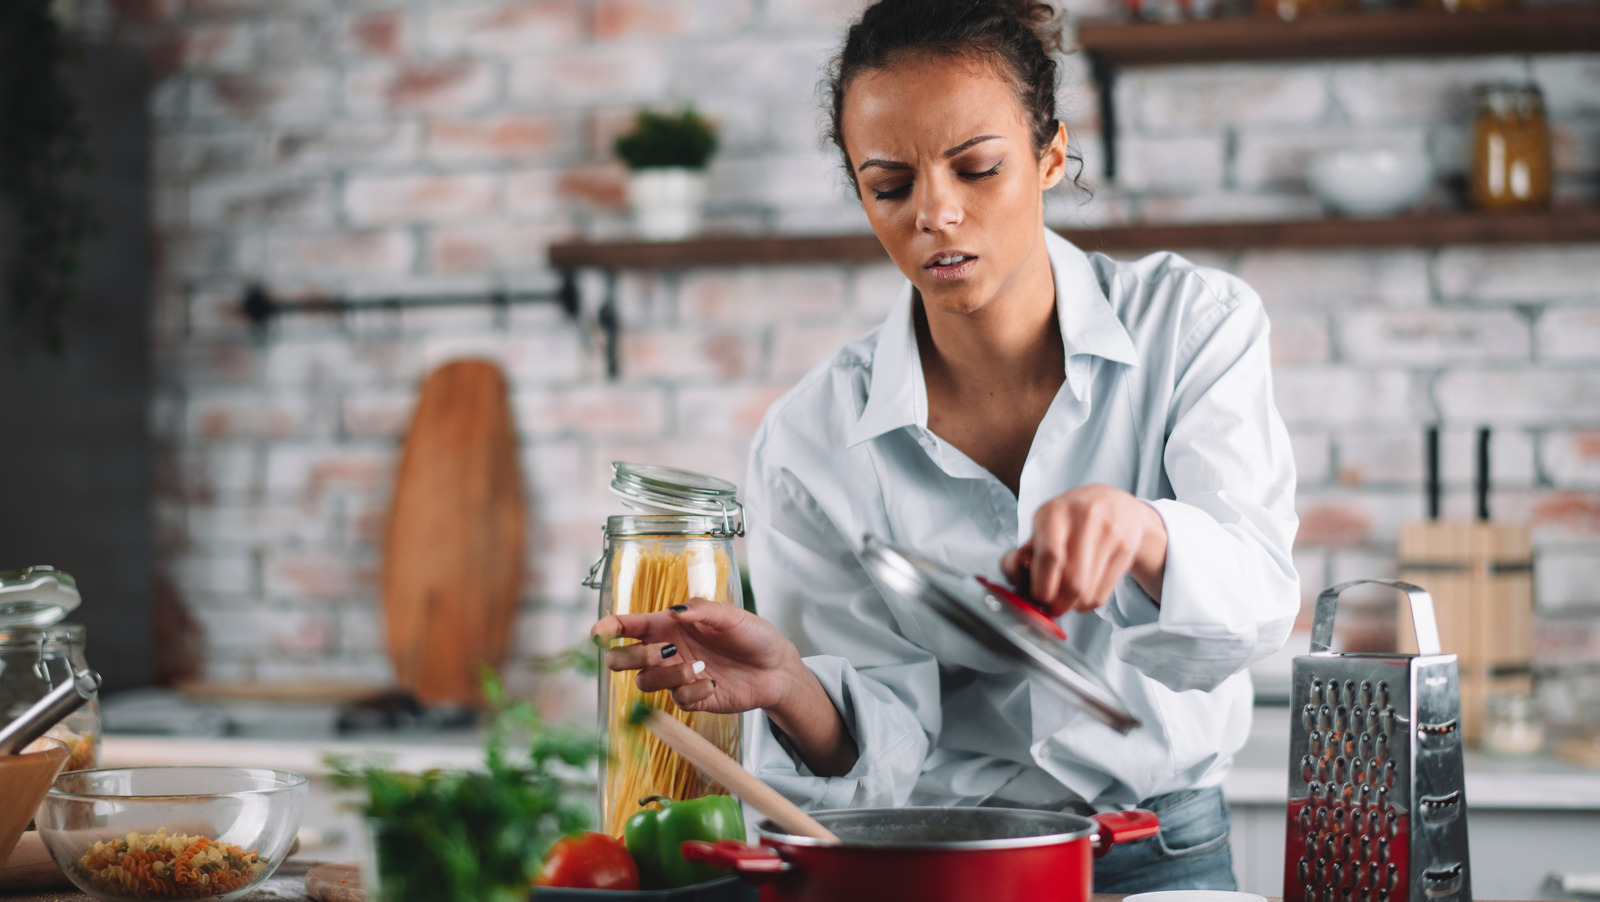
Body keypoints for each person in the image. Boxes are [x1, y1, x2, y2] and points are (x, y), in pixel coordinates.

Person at [590, 0, 1299, 890]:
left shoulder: (1194, 326)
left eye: (978, 169)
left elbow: (1256, 610)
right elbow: (875, 757)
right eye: (890, 185)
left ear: (1048, 158)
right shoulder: (809, 443)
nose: (936, 213)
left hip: (1164, 853)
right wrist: (792, 689)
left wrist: (1144, 534)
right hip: (944, 864)